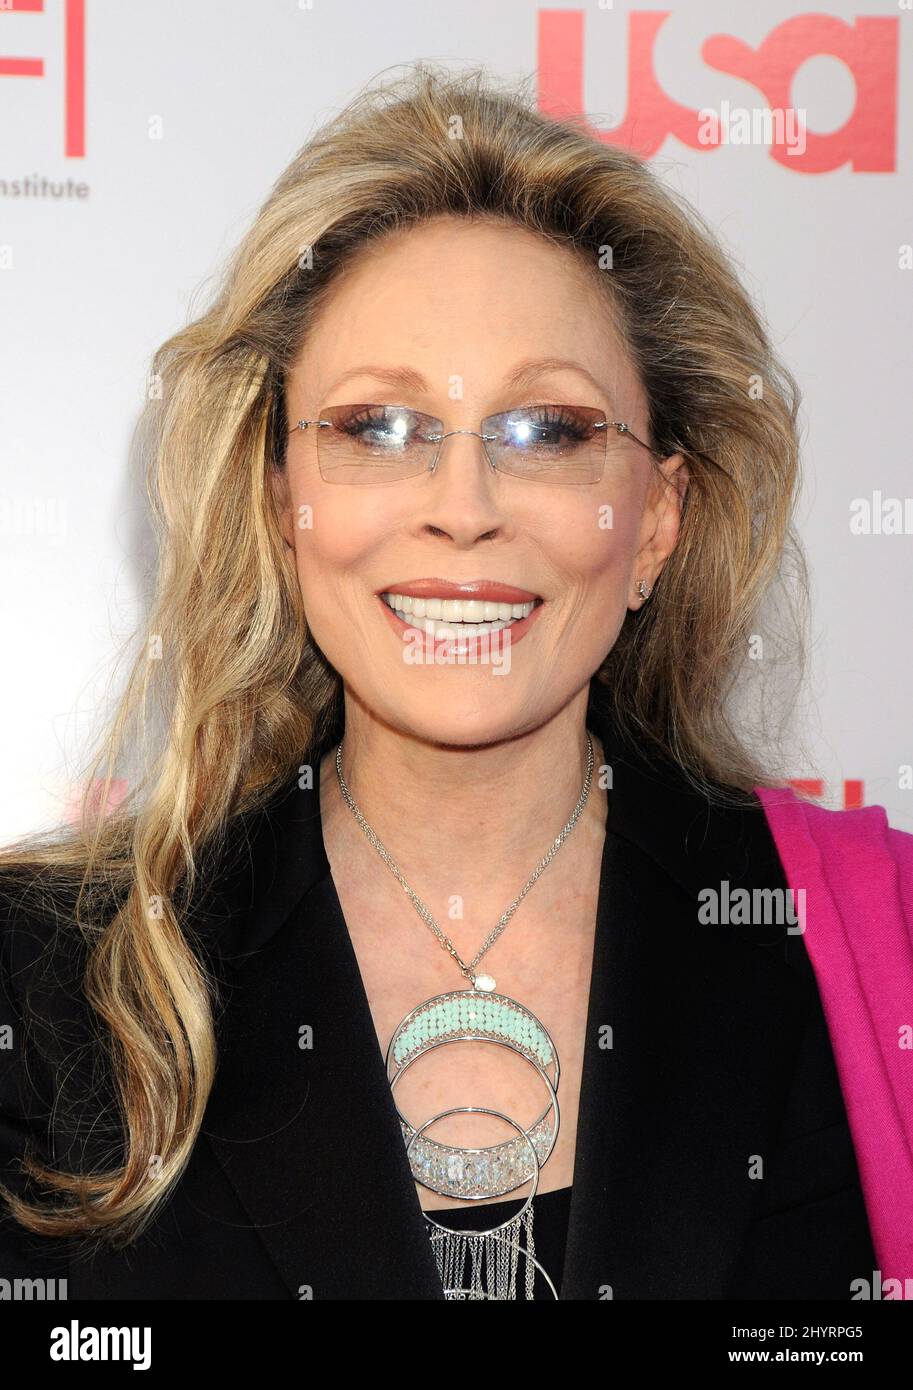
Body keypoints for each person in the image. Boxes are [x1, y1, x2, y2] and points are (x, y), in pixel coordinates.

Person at [0, 62, 894, 1301]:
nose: (461, 509)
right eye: (376, 426)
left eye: (548, 430)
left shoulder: (870, 945)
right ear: (280, 502)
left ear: (655, 520)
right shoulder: (42, 979)